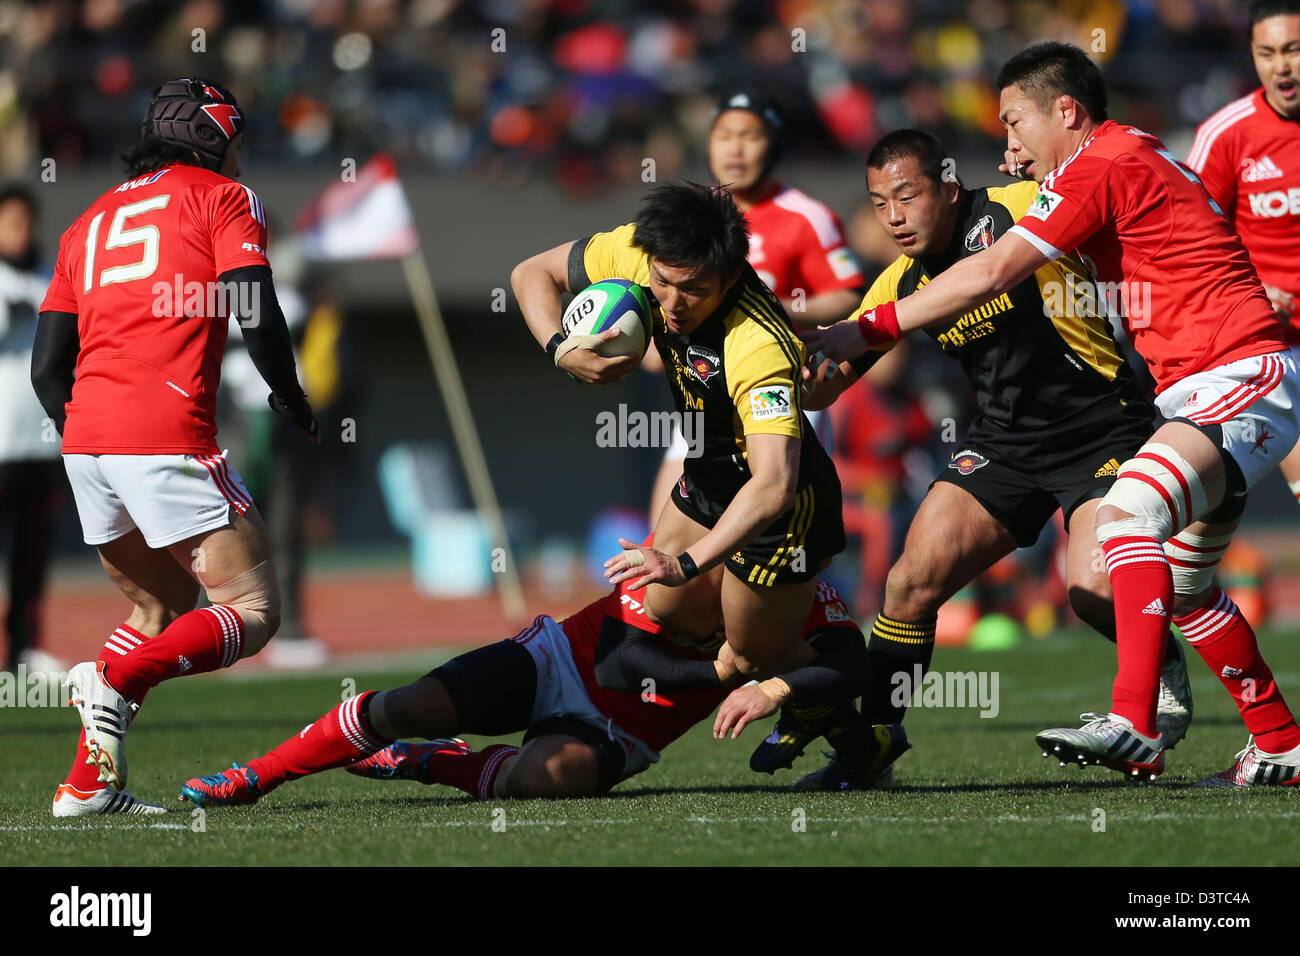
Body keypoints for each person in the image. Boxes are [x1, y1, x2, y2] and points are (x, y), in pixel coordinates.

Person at [804, 42, 1300, 786]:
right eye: (880, 204)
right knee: (1184, 584)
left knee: (1124, 526)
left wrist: (870, 326)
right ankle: (1280, 743)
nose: (1006, 144)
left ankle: (1135, 721)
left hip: (1215, 381)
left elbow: (992, 270)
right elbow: (827, 381)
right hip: (1063, 428)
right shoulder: (1103, 163)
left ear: (1065, 111)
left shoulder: (1094, 167)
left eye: (1014, 122)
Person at [750, 129, 1192, 779]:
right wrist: (769, 362)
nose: (894, 217)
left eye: (908, 196)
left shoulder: (1019, 207)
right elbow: (831, 379)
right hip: (1003, 445)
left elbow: (1092, 192)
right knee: (909, 583)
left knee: (1092, 591)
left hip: (1102, 430)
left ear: (949, 186)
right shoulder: (898, 283)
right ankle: (874, 746)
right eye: (880, 203)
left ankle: (1163, 664)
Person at [32, 78, 318, 817]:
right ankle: (108, 680)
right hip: (162, 433)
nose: (240, 157)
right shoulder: (223, 197)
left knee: (158, 608)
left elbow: (46, 368)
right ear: (212, 139)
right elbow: (254, 305)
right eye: (236, 141)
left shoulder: (87, 220)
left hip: (86, 441)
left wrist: (90, 436)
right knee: (254, 609)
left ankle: (87, 786)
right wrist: (289, 393)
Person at [178, 570, 907, 805]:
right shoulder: (680, 559)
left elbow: (852, 665)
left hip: (624, 732)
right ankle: (256, 776)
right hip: (560, 660)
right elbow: (624, 665)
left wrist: (774, 691)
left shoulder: (798, 585)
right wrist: (724, 672)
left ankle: (428, 762)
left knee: (543, 777)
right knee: (413, 704)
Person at [512, 183, 845, 688]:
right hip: (708, 468)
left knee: (752, 658)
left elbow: (774, 484)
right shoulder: (639, 252)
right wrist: (560, 348)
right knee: (670, 611)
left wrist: (685, 563)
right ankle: (777, 629)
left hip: (781, 509)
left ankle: (838, 667)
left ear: (730, 276)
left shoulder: (758, 341)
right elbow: (530, 273)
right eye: (662, 281)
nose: (672, 301)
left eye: (692, 289)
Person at [646, 90, 864, 525]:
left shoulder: (807, 216)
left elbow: (848, 297)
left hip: (782, 390)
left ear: (774, 145)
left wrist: (766, 307)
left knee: (779, 531)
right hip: (705, 392)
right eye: (724, 135)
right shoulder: (690, 213)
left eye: (750, 136)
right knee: (664, 532)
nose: (736, 148)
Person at [1187, 1, 1300, 509]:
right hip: (1274, 350)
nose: (1282, 66)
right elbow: (1187, 245)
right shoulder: (1226, 134)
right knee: (1206, 514)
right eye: (1267, 53)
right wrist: (1252, 295)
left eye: (1293, 50)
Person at [0, 185, 65, 675]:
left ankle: (23, 654)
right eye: (10, 223)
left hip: (42, 446)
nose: (21, 232)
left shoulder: (50, 276)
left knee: (32, 557)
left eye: (26, 222)